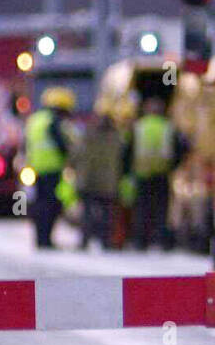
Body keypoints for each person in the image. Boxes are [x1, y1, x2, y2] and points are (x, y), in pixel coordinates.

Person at [125, 97, 187, 251]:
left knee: (141, 209)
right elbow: (181, 148)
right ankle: (158, 241)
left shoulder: (138, 127)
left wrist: (128, 170)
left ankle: (140, 241)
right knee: (161, 210)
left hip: (142, 174)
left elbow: (127, 150)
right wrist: (173, 166)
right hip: (162, 174)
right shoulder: (168, 127)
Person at [24, 86, 77, 248]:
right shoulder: (52, 121)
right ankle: (46, 239)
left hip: (36, 169)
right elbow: (62, 145)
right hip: (52, 169)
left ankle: (41, 239)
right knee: (52, 206)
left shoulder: (35, 119)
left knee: (39, 205)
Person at [73, 98, 125, 250]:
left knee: (87, 213)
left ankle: (84, 241)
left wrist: (75, 168)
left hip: (88, 179)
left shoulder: (87, 135)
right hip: (108, 182)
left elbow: (76, 154)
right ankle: (106, 242)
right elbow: (123, 158)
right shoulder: (117, 137)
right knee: (106, 215)